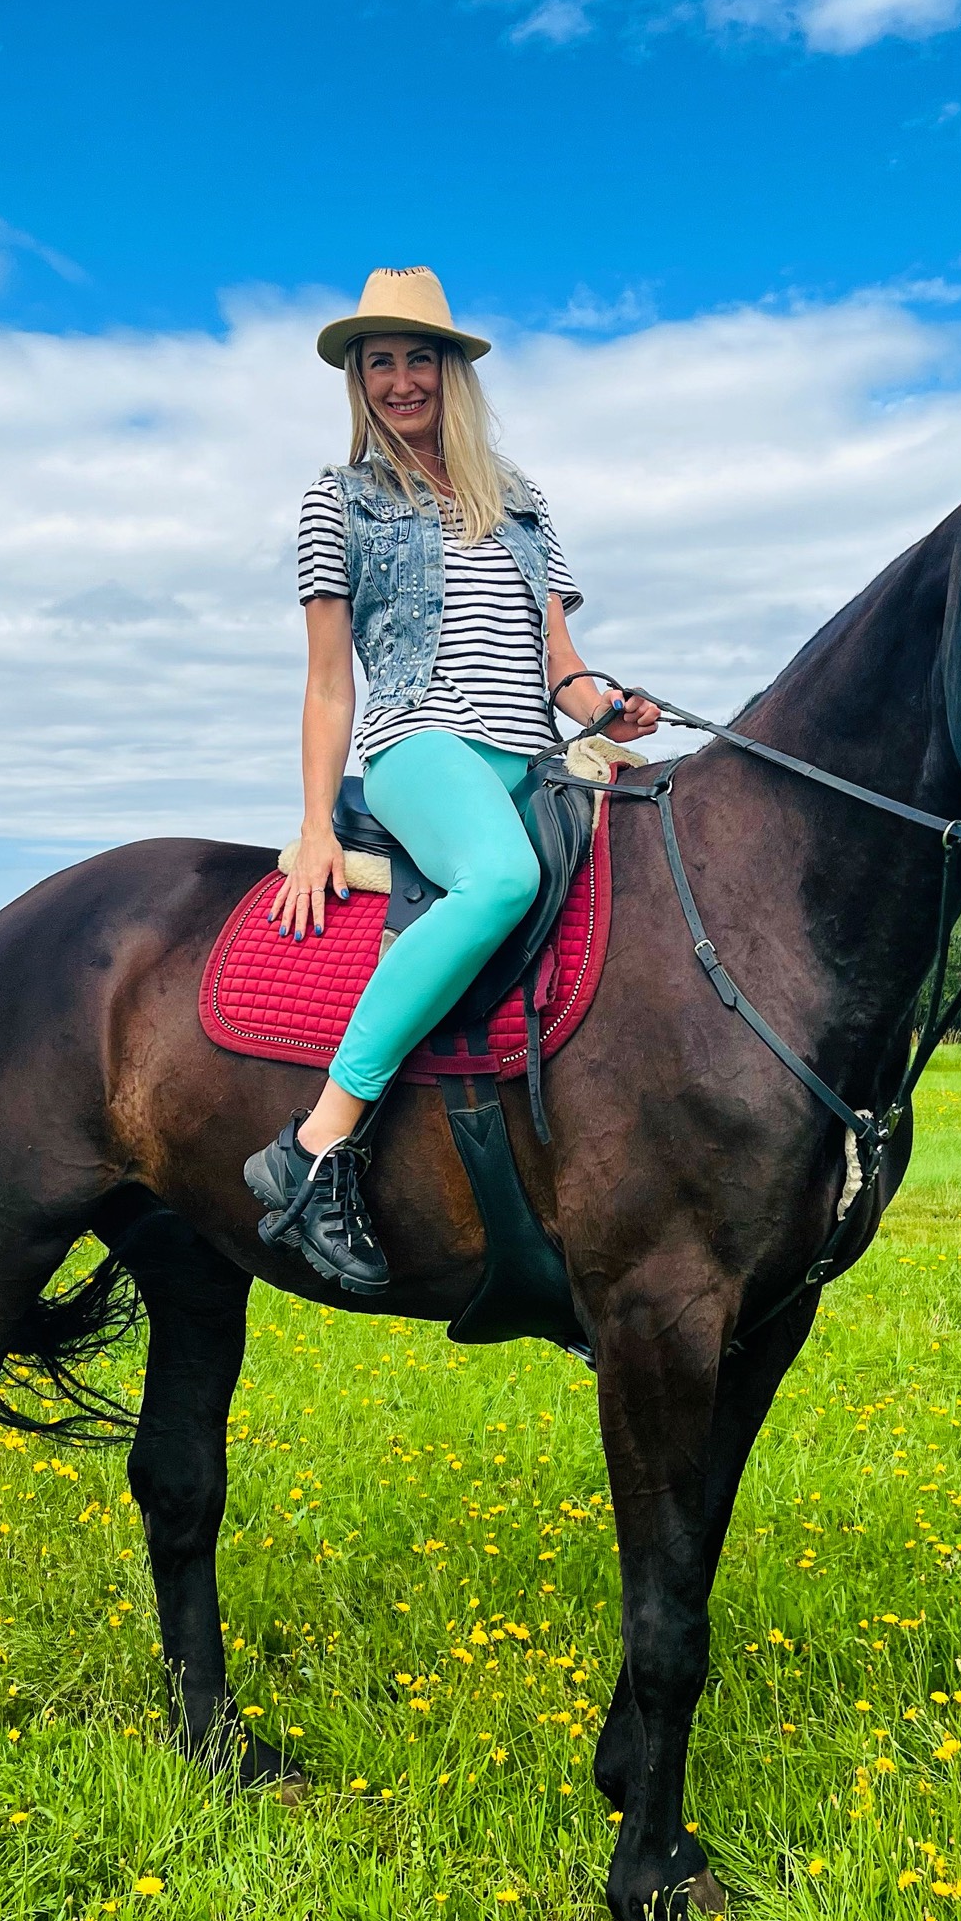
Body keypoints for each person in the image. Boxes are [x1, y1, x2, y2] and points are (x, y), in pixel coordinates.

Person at [244, 267, 657, 1294]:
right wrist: (312, 823)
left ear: (449, 370)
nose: (397, 380)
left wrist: (603, 710)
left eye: (414, 358)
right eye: (376, 362)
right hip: (420, 745)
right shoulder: (337, 499)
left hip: (534, 755)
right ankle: (314, 1143)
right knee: (498, 881)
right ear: (358, 379)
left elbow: (558, 663)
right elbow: (329, 681)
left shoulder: (522, 504)